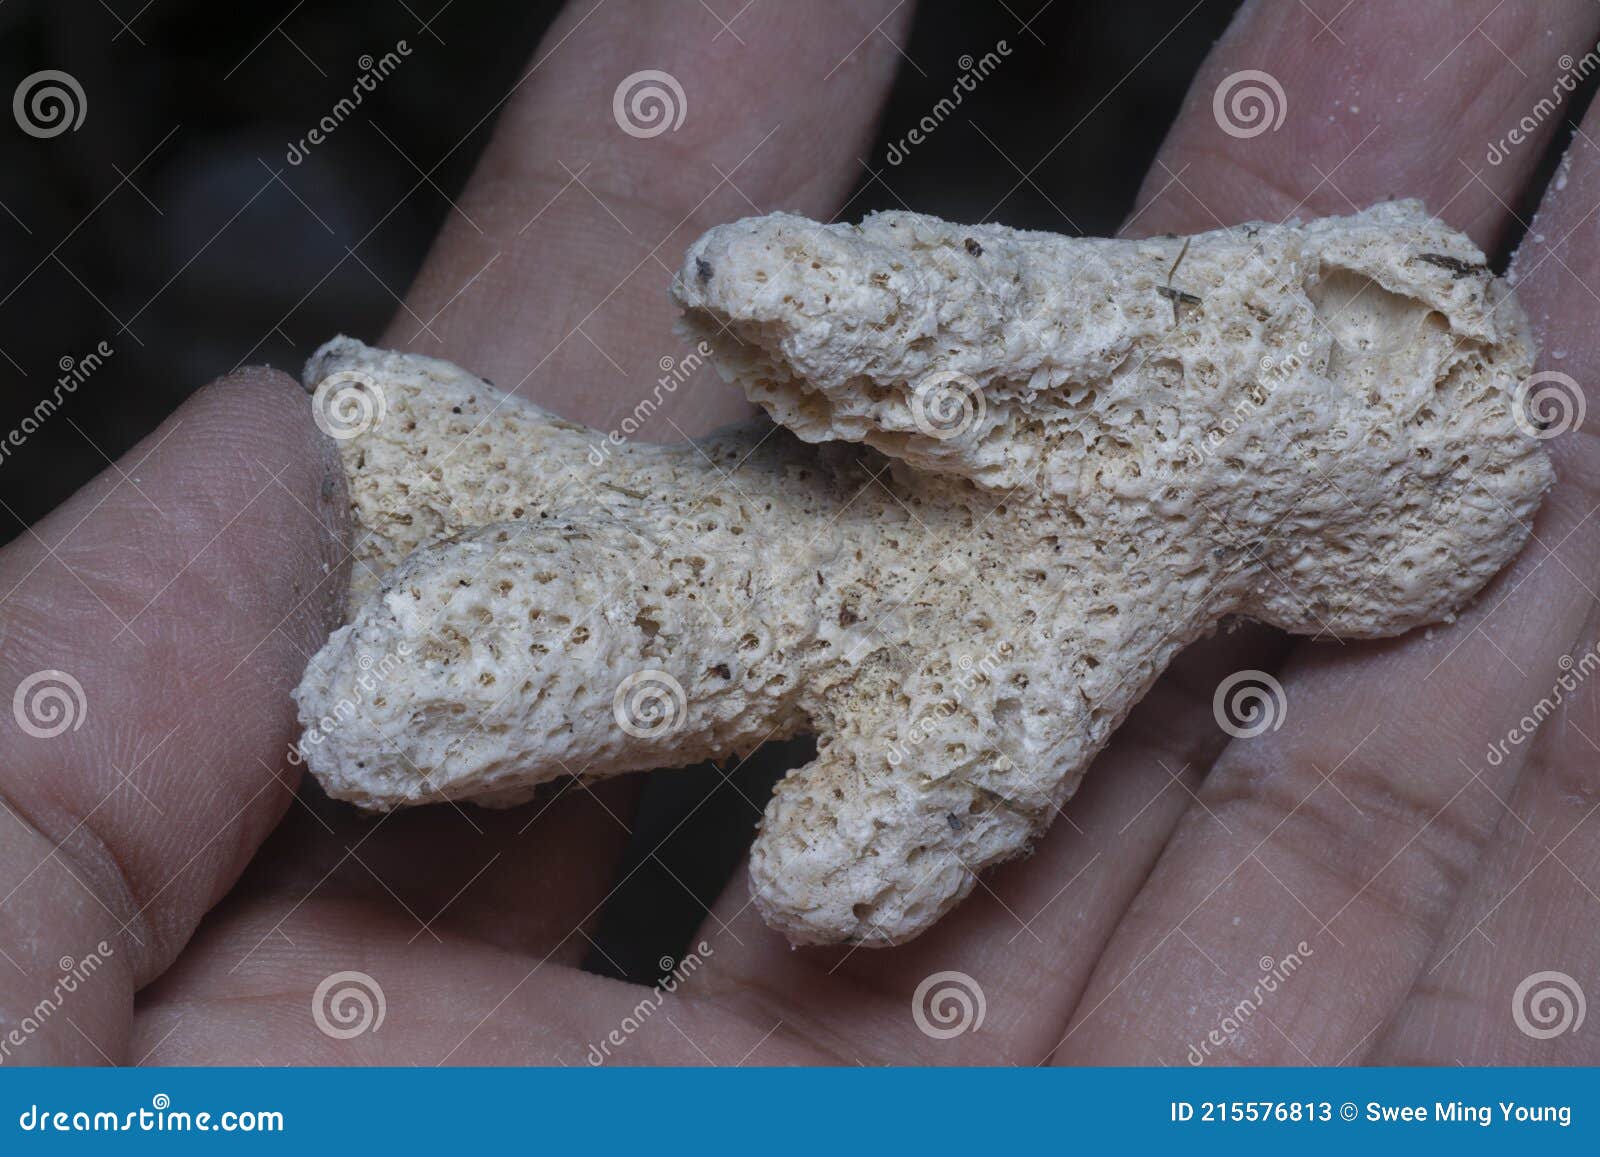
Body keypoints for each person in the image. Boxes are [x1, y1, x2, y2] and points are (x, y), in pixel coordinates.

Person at [2, 0, 1595, 1065]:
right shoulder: (1067, 396)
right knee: (481, 572)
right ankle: (449, 536)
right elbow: (806, 306)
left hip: (1019, 549)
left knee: (488, 562)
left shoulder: (1103, 501)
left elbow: (873, 837)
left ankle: (447, 532)